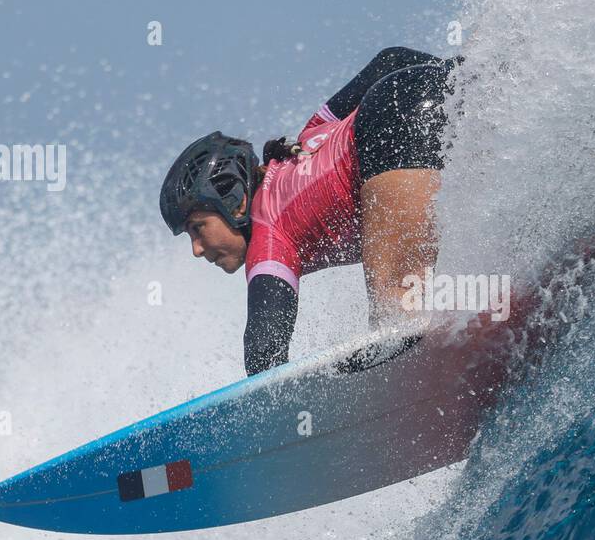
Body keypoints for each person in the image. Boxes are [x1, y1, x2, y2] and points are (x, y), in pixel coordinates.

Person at [159, 46, 462, 376]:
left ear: (235, 201)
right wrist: (452, 77)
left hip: (391, 125)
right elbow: (391, 61)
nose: (196, 250)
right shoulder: (309, 135)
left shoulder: (270, 235)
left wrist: (278, 413)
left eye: (197, 228)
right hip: (430, 92)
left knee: (396, 321)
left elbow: (264, 351)